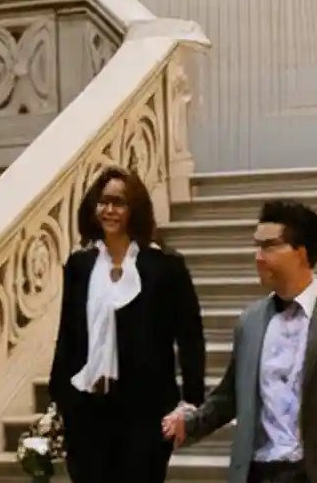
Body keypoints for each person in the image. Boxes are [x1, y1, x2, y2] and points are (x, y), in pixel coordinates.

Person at [161, 200, 317, 483]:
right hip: (258, 472)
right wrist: (188, 423)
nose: (258, 257)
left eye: (269, 246)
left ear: (301, 253)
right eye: (256, 246)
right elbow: (229, 397)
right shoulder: (250, 321)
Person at [48, 166, 206, 483]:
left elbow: (190, 338)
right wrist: (61, 400)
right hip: (87, 412)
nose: (109, 210)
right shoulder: (80, 266)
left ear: (135, 209)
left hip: (145, 412)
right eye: (103, 202)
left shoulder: (165, 267)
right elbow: (68, 337)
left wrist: (190, 403)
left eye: (118, 202)